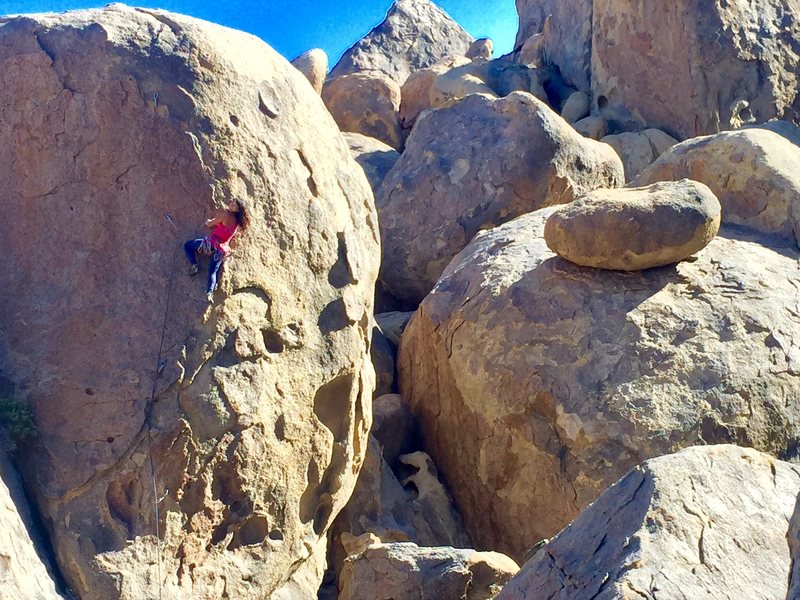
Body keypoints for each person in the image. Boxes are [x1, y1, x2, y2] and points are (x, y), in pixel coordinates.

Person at [184, 199, 248, 302]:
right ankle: (210, 292)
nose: (231, 205)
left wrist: (209, 222)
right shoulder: (237, 221)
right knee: (213, 271)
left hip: (211, 243)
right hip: (222, 249)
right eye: (232, 203)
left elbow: (210, 224)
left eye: (234, 206)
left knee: (188, 245)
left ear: (237, 210)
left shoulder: (226, 214)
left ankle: (194, 265)